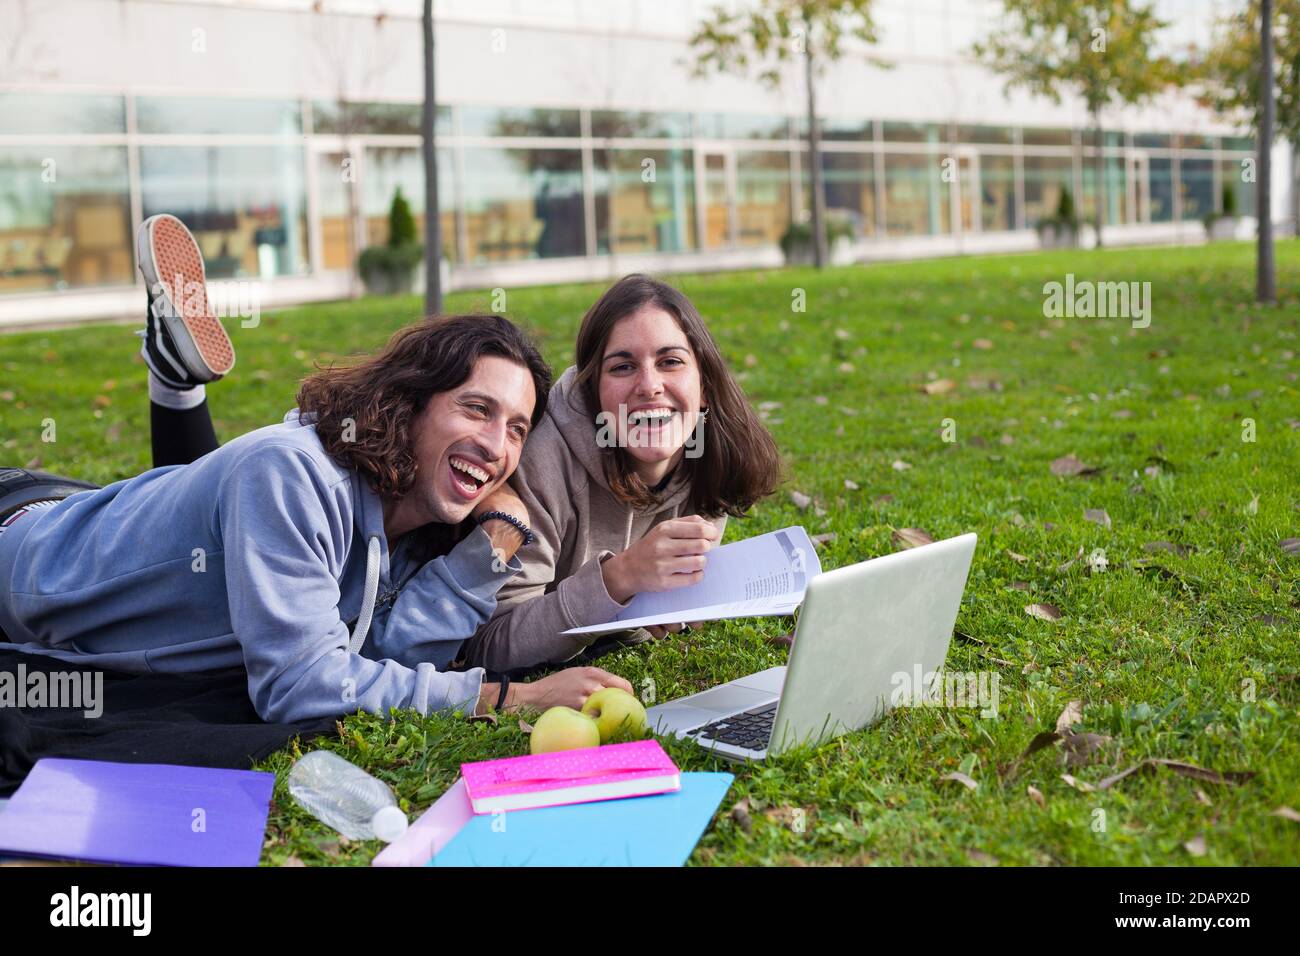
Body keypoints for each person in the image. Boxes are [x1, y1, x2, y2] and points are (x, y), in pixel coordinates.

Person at [0, 215, 632, 723]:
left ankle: (173, 380)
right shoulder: (292, 478)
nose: (498, 444)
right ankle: (175, 383)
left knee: (203, 522)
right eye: (476, 409)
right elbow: (302, 685)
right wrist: (508, 698)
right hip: (18, 540)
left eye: (517, 427)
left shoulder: (422, 522)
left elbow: (384, 655)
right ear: (409, 405)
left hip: (108, 514)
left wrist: (484, 555)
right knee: (237, 492)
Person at [456, 273, 782, 674]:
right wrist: (618, 578)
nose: (649, 386)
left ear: (705, 385)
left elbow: (642, 619)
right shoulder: (543, 462)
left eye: (671, 361)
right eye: (623, 366)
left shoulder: (708, 457)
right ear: (594, 392)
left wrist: (647, 608)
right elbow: (489, 646)